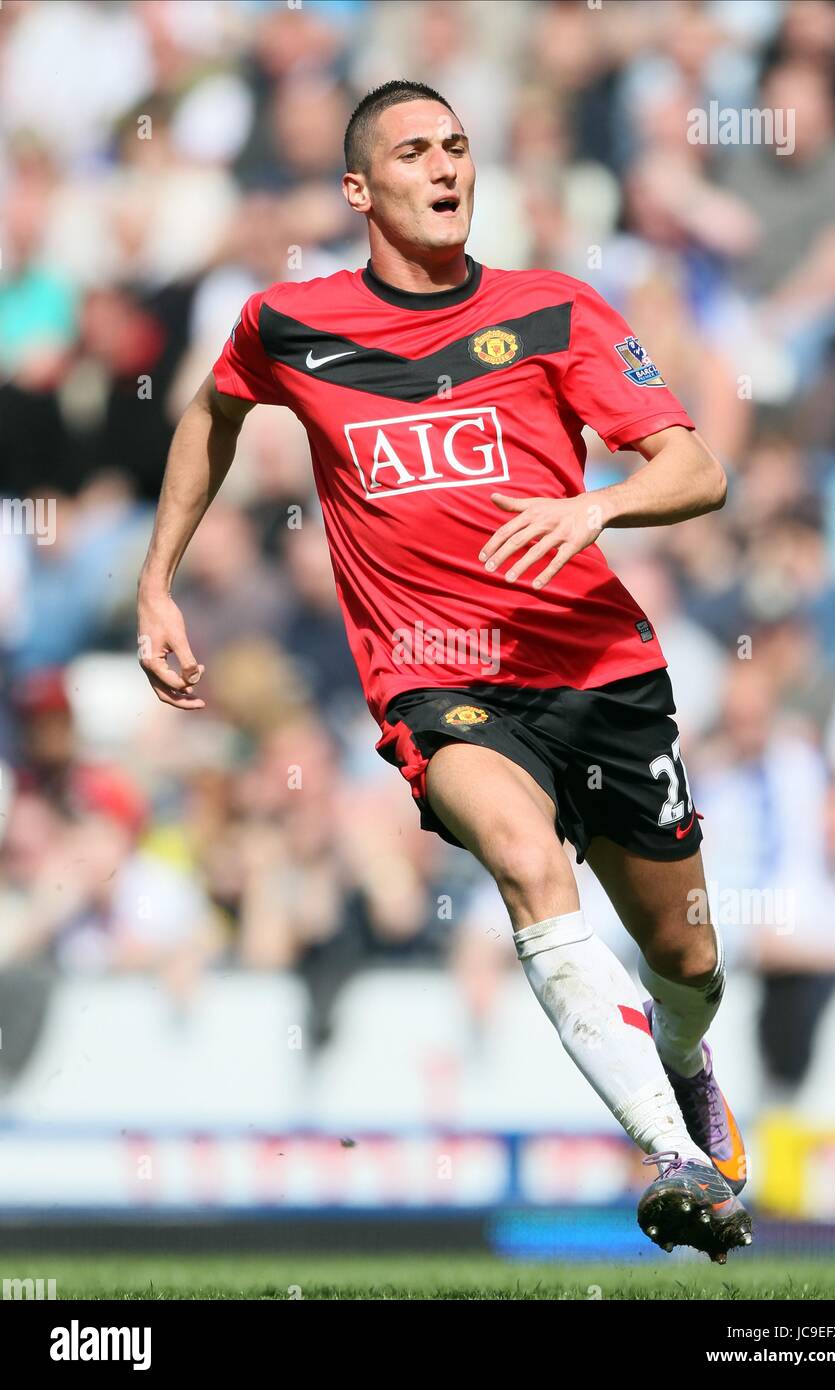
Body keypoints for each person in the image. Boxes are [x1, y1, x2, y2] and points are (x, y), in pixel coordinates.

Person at [137, 79, 750, 1261]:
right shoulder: (288, 324)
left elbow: (699, 468)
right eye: (416, 151)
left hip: (598, 668)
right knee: (525, 863)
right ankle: (671, 1157)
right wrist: (158, 579)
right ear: (361, 189)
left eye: (459, 147)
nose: (446, 166)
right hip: (438, 677)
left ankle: (684, 1066)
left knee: (692, 959)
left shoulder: (555, 309)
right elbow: (213, 413)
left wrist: (599, 508)